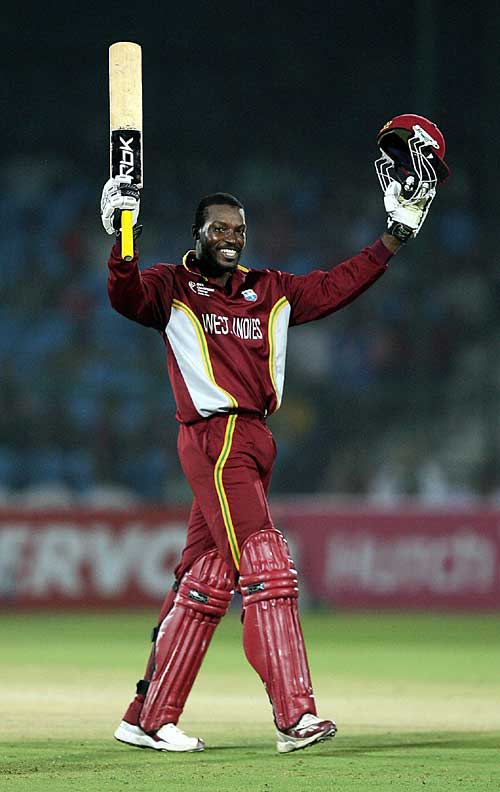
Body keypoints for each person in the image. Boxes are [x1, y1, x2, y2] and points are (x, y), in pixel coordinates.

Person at [100, 114, 448, 754]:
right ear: (197, 234)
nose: (231, 239)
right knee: (267, 564)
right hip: (217, 439)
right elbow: (124, 298)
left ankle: (146, 719)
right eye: (219, 229)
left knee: (205, 577)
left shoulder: (271, 292)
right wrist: (120, 242)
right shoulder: (172, 286)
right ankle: (295, 717)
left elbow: (337, 285)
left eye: (238, 230)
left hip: (255, 440)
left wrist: (393, 238)